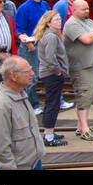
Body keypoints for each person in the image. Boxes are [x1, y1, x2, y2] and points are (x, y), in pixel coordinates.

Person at [0, 56, 45, 170]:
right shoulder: (0, 105)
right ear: (13, 76)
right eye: (27, 71)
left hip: (33, 163)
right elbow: (0, 148)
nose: (32, 73)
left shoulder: (21, 95)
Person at [62, 0, 93, 141]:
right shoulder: (71, 24)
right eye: (83, 9)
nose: (87, 11)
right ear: (74, 10)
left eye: (87, 8)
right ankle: (85, 129)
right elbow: (86, 40)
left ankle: (80, 126)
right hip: (82, 66)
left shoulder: (88, 22)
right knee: (84, 95)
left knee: (89, 97)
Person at [14, 0, 51, 114]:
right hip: (31, 46)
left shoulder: (44, 4)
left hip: (44, 44)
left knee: (48, 73)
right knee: (31, 76)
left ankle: (38, 104)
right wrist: (29, 44)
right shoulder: (23, 9)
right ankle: (31, 105)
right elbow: (19, 29)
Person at [34, 10, 69, 146]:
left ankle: (50, 131)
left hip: (50, 73)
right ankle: (48, 136)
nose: (59, 21)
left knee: (53, 103)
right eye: (56, 20)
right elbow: (50, 57)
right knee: (52, 104)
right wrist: (58, 71)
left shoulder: (50, 35)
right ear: (48, 23)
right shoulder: (51, 37)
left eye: (60, 19)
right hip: (51, 74)